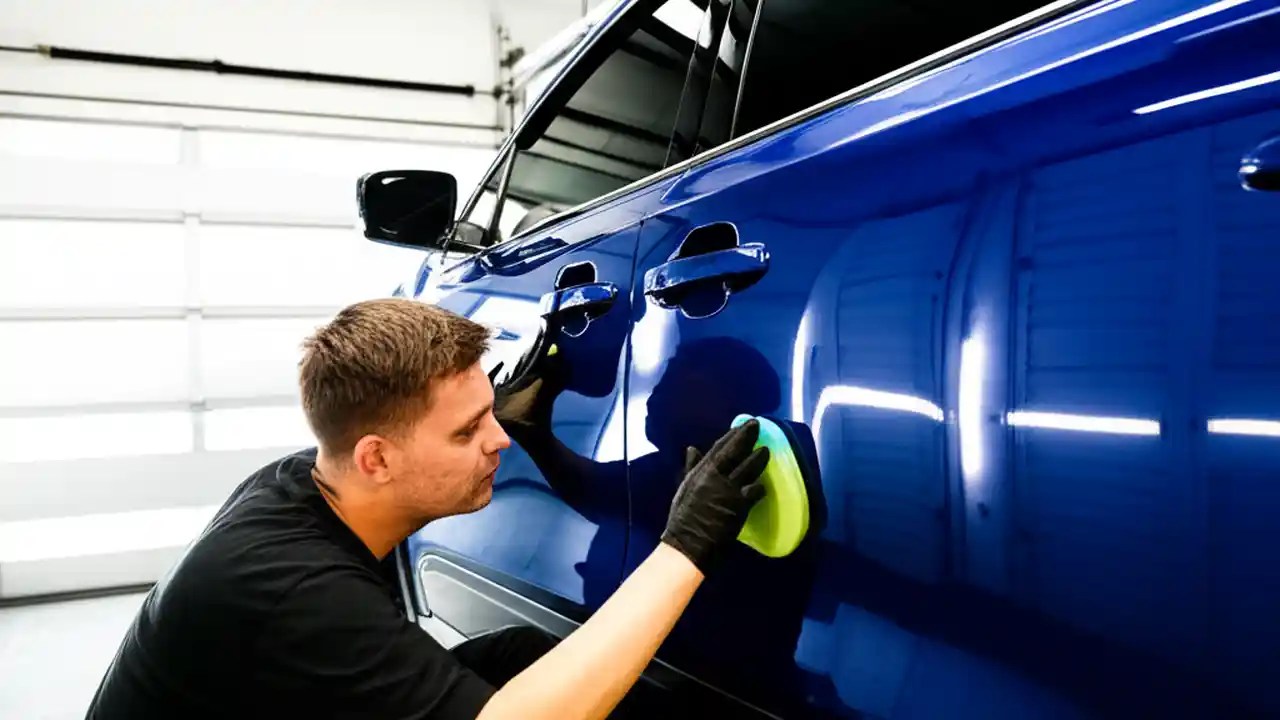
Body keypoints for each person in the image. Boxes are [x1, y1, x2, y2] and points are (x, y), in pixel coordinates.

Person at [85, 298, 768, 720]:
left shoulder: (309, 482)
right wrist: (686, 544)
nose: (499, 437)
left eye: (488, 411)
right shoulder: (300, 590)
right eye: (469, 429)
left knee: (521, 654)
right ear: (377, 458)